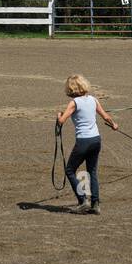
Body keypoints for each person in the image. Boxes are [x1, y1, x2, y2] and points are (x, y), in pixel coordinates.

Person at [56, 74, 118, 215]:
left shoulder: (74, 103)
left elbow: (62, 121)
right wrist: (114, 125)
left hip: (84, 141)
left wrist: (59, 116)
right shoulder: (93, 99)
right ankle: (95, 204)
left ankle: (83, 200)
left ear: (71, 88)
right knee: (92, 171)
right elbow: (105, 116)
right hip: (96, 139)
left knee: (70, 170)